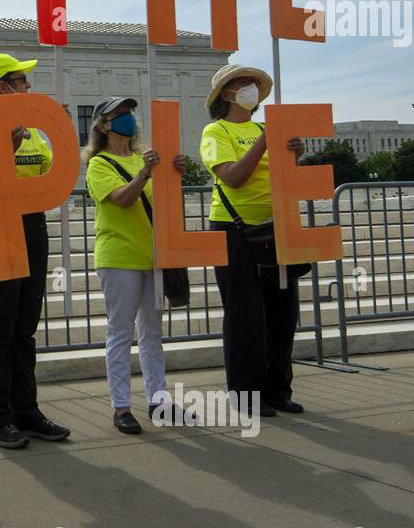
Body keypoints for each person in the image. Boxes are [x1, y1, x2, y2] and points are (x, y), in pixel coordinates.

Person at [0, 54, 71, 449]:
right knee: (0, 326)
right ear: (2, 87)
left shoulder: (36, 130)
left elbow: (49, 171)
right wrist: (8, 143)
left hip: (33, 223)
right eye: (21, 81)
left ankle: (27, 410)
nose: (27, 87)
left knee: (25, 325)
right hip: (1, 224)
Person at [200, 64, 306, 417]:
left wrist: (294, 153)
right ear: (226, 93)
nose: (250, 89)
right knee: (245, 315)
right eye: (242, 84)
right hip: (234, 229)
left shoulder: (264, 127)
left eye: (253, 84)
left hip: (275, 226)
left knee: (283, 312)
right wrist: (264, 142)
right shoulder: (216, 131)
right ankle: (247, 394)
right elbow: (233, 178)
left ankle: (278, 389)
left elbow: (283, 175)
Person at [83, 96, 188, 434]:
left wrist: (174, 173)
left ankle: (159, 400)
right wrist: (145, 173)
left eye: (129, 112)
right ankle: (121, 406)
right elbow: (123, 199)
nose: (128, 118)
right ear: (102, 125)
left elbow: (166, 202)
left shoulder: (146, 158)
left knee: (152, 333)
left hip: (153, 256)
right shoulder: (99, 163)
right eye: (118, 114)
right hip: (119, 257)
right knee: (121, 332)